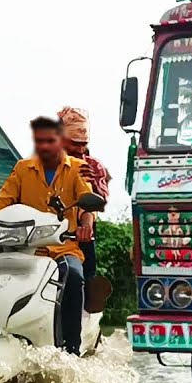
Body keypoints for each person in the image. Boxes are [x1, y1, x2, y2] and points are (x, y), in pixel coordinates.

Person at [0, 116, 97, 354]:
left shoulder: (79, 169)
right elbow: (0, 203)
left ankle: (71, 348)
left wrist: (86, 225)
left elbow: (87, 207)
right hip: (26, 249)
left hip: (64, 247)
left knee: (74, 275)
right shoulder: (22, 169)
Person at [58, 107, 112, 279]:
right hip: (47, 227)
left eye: (84, 143)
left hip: (81, 229)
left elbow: (98, 202)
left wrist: (96, 182)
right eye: (75, 143)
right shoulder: (42, 164)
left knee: (84, 276)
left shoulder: (92, 166)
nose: (80, 149)